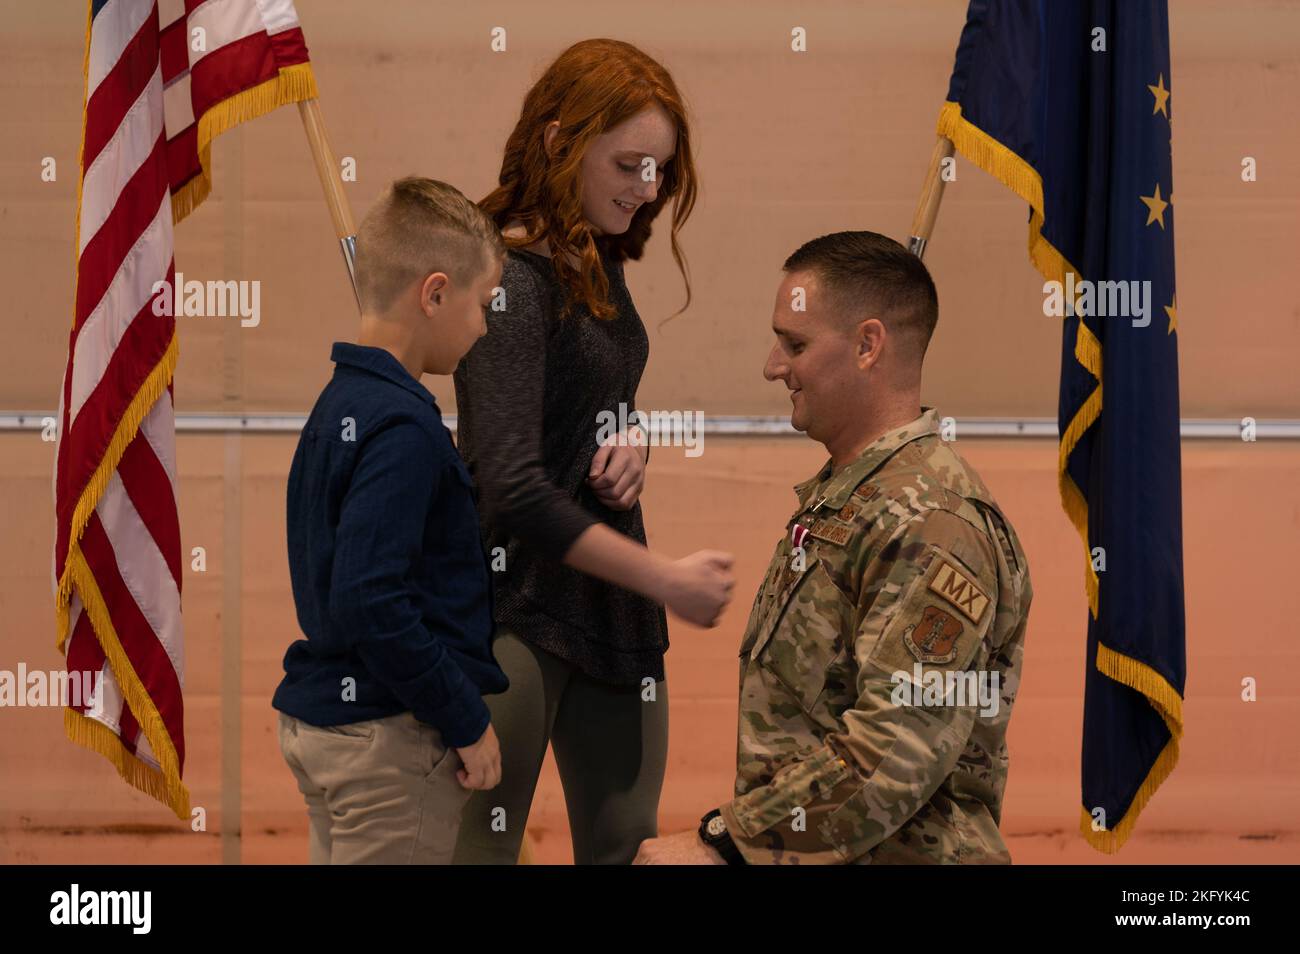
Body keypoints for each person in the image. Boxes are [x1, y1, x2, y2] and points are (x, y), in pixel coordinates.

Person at [634, 231, 1033, 865]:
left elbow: (893, 752)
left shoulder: (930, 519)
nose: (772, 365)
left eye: (794, 343)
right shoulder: (853, 498)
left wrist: (726, 844)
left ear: (868, 344)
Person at [451, 39, 734, 866]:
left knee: (626, 852)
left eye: (660, 172)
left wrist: (629, 435)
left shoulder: (595, 259)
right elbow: (508, 484)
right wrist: (667, 579)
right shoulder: (504, 277)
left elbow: (584, 400)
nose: (647, 190)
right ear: (556, 140)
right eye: (629, 164)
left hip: (610, 613)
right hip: (512, 607)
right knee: (479, 855)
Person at [273, 177, 508, 864]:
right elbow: (370, 595)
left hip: (332, 728)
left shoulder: (338, 405)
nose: (485, 327)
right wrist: (465, 717)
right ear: (435, 293)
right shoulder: (404, 428)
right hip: (387, 740)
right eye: (482, 304)